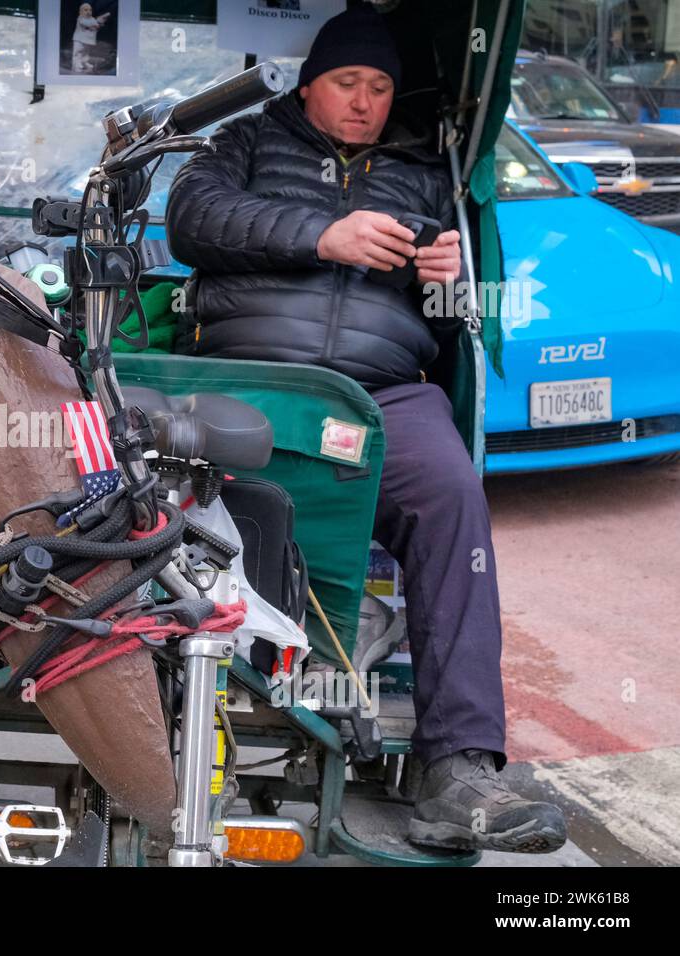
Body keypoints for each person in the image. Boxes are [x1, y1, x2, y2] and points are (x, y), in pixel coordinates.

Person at [164, 6, 568, 854]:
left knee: (454, 497)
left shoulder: (424, 173)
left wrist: (447, 282)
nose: (365, 103)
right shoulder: (244, 141)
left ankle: (458, 765)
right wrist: (324, 234)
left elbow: (453, 323)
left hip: (381, 393)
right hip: (247, 378)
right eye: (347, 83)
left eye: (380, 87)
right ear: (311, 84)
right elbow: (192, 219)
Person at [71, 4, 111, 74]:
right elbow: (87, 24)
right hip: (79, 39)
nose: (88, 12)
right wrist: (97, 21)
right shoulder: (81, 18)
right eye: (86, 10)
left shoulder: (92, 19)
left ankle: (84, 63)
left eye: (90, 10)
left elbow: (96, 27)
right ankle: (76, 66)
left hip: (87, 40)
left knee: (86, 52)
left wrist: (101, 22)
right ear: (80, 12)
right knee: (78, 52)